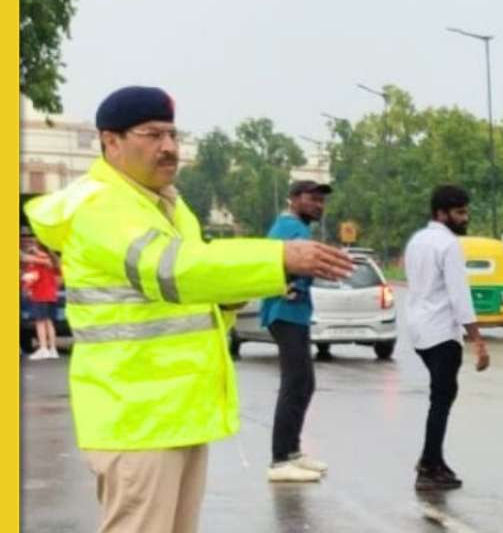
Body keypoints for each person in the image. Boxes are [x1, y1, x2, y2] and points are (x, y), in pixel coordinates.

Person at [23, 85, 354, 533]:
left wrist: (230, 297)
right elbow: (174, 271)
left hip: (175, 413)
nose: (169, 148)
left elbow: (196, 289)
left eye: (173, 136)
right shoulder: (101, 206)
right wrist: (278, 258)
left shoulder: (168, 206)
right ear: (111, 141)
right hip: (136, 418)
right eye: (152, 135)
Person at [402, 184, 491, 491]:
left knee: (441, 397)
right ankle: (429, 466)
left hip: (418, 329)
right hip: (441, 332)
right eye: (459, 212)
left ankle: (433, 459)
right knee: (441, 399)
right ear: (441, 213)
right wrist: (478, 340)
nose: (465, 218)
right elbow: (459, 295)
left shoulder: (417, 240)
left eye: (465, 211)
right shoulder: (449, 244)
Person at [260, 179, 334, 483]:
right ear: (293, 199)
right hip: (285, 312)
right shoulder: (290, 229)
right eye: (311, 199)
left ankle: (292, 451)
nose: (318, 205)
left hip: (296, 314)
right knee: (295, 383)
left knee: (305, 382)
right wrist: (285, 283)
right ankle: (280, 460)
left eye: (321, 200)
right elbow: (269, 260)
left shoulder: (297, 228)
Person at [21, 229, 61, 359]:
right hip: (51, 294)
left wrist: (26, 282)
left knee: (40, 322)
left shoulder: (39, 259)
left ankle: (43, 348)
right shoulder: (51, 258)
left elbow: (33, 276)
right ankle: (53, 349)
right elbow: (56, 276)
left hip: (40, 293)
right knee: (49, 322)